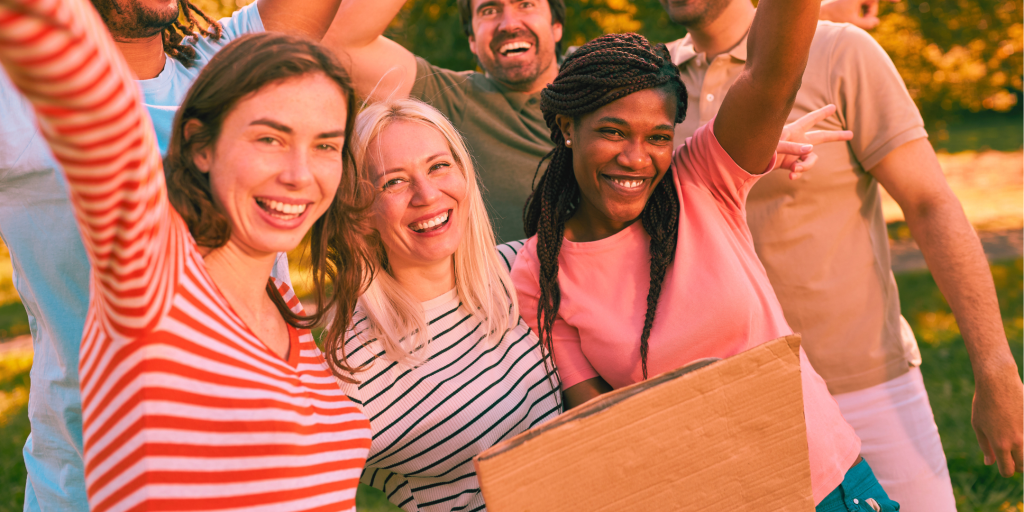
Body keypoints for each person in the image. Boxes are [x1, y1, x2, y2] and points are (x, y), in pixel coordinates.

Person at [511, 15, 898, 512]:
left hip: (826, 489)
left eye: (658, 137)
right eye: (612, 131)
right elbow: (605, 426)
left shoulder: (700, 179)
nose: (636, 158)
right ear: (568, 127)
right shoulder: (539, 271)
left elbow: (771, 76)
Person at [0, 2, 376, 509]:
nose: (298, 174)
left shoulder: (282, 307)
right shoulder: (149, 285)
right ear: (199, 146)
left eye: (325, 145)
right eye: (270, 138)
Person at [658, 0, 1024, 507]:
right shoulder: (651, 82)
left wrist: (995, 365)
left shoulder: (839, 51)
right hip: (736, 404)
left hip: (867, 384)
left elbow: (929, 204)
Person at [333, 99, 561, 511]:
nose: (426, 194)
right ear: (361, 212)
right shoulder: (353, 365)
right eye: (393, 182)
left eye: (438, 166)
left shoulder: (525, 269)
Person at [323, 0, 565, 242]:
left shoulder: (588, 73)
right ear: (472, 40)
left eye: (526, 4)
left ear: (556, 26)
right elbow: (339, 45)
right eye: (489, 11)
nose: (509, 24)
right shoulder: (452, 98)